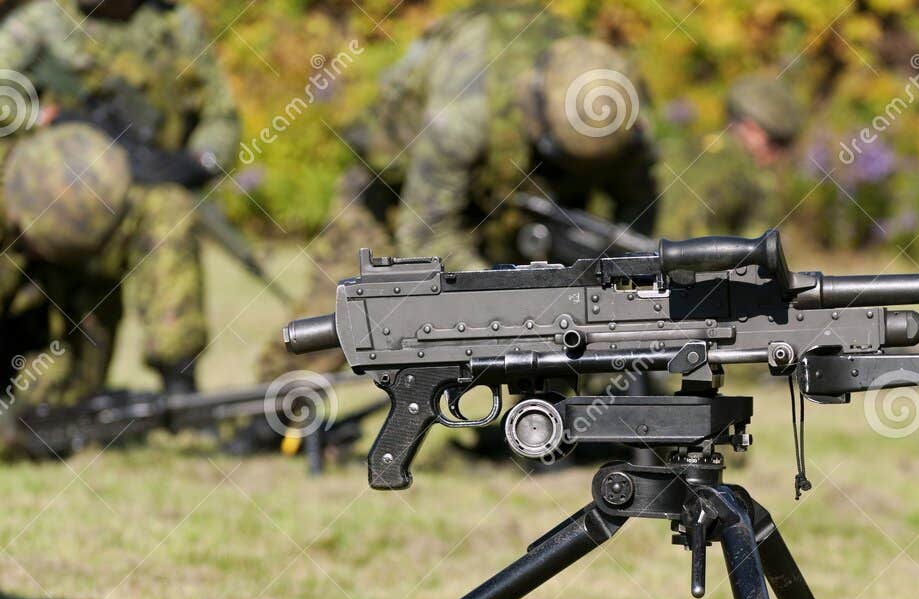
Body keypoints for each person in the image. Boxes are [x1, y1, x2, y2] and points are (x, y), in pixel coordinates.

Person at [258, 4, 659, 381]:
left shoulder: (613, 112)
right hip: (399, 193)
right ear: (533, 119)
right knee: (354, 307)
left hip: (514, 202)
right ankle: (269, 409)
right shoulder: (462, 113)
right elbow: (425, 235)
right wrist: (506, 304)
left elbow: (637, 219)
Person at [0, 0, 239, 399]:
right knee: (51, 396)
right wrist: (47, 120)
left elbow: (221, 117)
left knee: (169, 208)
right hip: (50, 204)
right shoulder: (46, 20)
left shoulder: (176, 26)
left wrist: (196, 162)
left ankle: (181, 384)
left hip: (128, 204)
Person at [666, 72, 802, 237]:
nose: (779, 155)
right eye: (776, 143)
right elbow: (757, 249)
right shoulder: (755, 177)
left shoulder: (674, 148)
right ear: (751, 129)